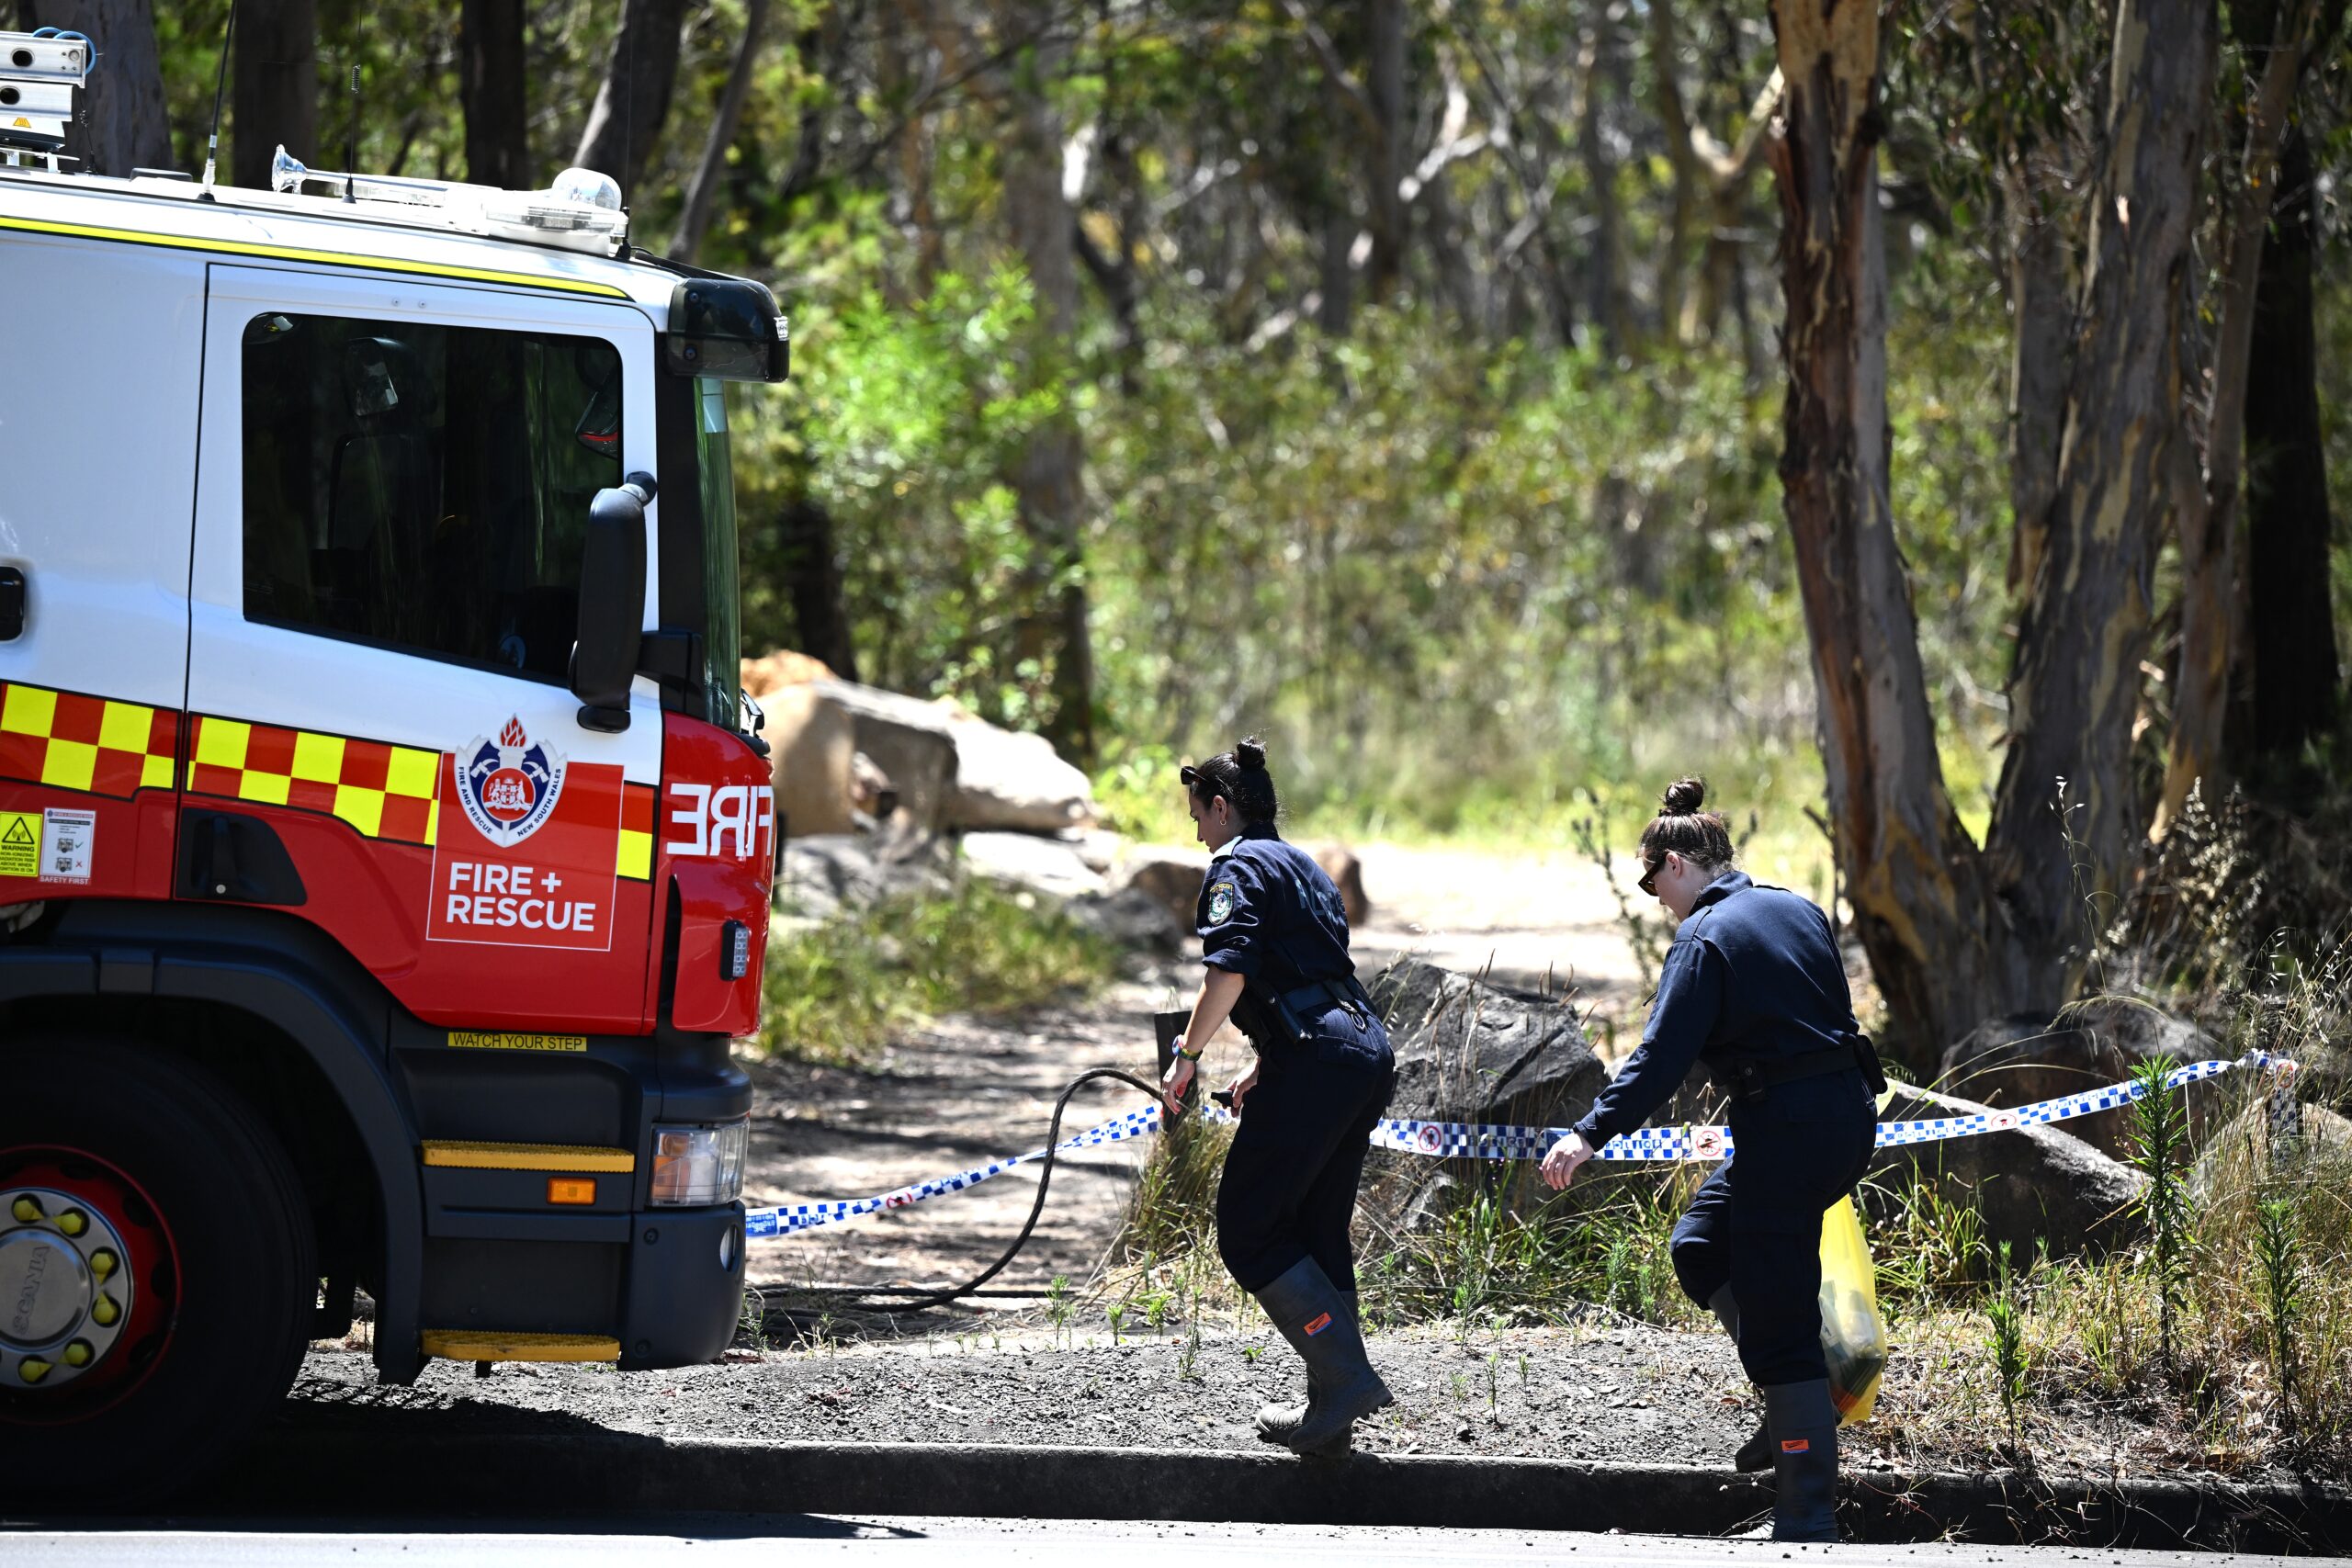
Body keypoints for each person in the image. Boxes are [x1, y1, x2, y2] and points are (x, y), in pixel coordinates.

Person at [1538, 777, 1878, 1542]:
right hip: (1843, 1121)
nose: (1655, 897)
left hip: (1789, 1134)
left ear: (1677, 864)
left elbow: (1660, 1058)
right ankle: (1790, 1388)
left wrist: (1588, 1133)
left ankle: (1806, 1511)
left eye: (1652, 879)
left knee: (1780, 1313)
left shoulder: (1703, 937)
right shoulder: (1798, 908)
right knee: (1701, 1243)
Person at [1159, 737, 1396, 1457]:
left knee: (1251, 1227)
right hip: (1360, 1049)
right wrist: (1270, 1060)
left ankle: (1345, 1377)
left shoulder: (1233, 866)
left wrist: (1187, 1056)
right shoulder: (1305, 866)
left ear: (1223, 806)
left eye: (1198, 813)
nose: (1197, 831)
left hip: (1318, 1058)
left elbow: (1228, 972)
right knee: (1318, 1231)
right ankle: (1329, 1406)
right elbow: (1314, 974)